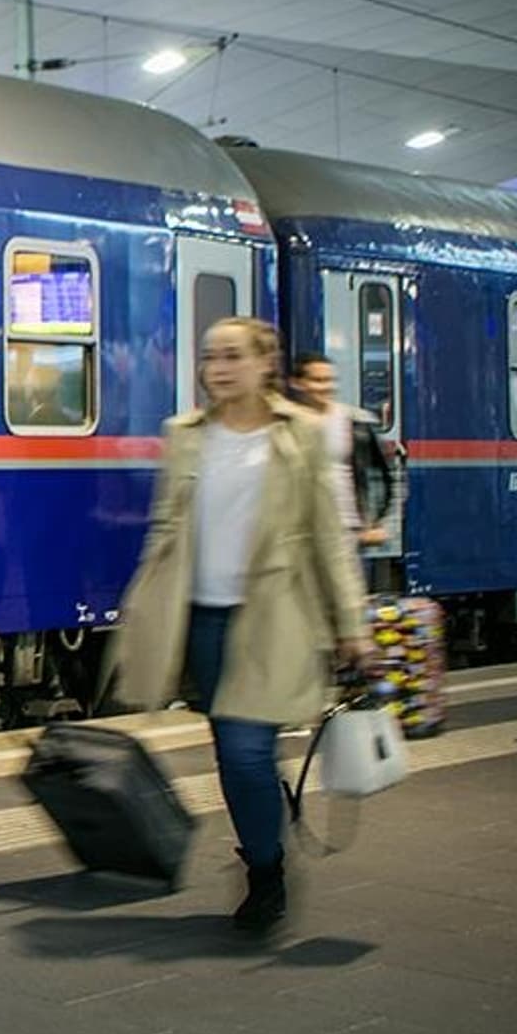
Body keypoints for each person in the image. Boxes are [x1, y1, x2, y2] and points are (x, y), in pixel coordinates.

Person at [113, 317, 367, 935]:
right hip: (201, 617)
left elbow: (329, 538)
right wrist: (142, 607)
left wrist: (351, 624)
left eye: (232, 356)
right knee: (235, 755)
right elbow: (166, 528)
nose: (218, 368)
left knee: (249, 751)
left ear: (264, 364)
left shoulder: (302, 436)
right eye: (209, 357)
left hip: (273, 615)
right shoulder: (185, 436)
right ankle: (264, 851)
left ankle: (266, 872)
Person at [291, 354, 396, 589]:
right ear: (297, 383)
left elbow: (384, 476)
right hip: (299, 533)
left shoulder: (355, 423)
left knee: (346, 602)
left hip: (345, 531)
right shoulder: (284, 423)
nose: (325, 387)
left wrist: (376, 522)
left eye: (329, 380)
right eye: (317, 380)